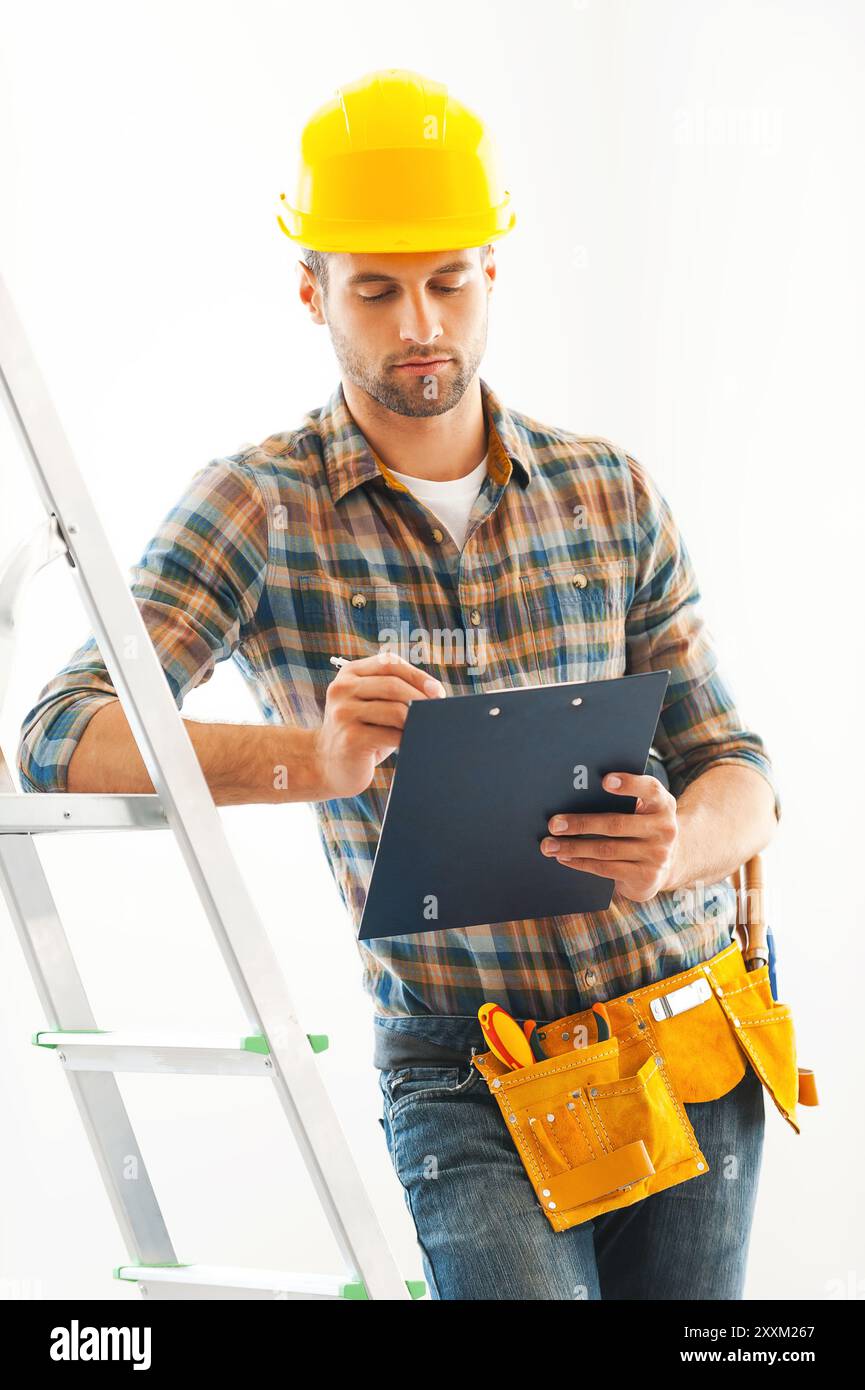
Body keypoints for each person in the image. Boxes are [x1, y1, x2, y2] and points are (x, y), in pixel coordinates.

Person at [17, 69, 780, 1300]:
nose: (420, 320)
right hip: (466, 1067)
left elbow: (741, 771)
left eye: (448, 279)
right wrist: (308, 764)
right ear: (311, 288)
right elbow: (58, 734)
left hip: (686, 1025)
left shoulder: (608, 491)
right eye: (375, 288)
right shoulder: (258, 506)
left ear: (492, 270)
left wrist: (678, 847)